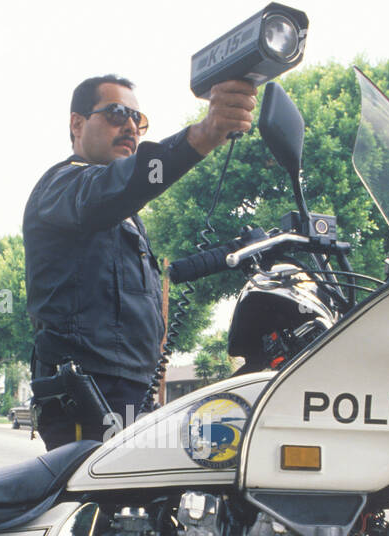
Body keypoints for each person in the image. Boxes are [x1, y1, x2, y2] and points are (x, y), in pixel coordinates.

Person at [24, 73, 256, 449]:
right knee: (99, 487)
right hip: (87, 391)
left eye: (138, 118)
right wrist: (205, 134)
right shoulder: (63, 186)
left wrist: (238, 250)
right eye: (116, 113)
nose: (131, 126)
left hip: (129, 388)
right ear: (77, 124)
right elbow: (123, 185)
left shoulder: (124, 212)